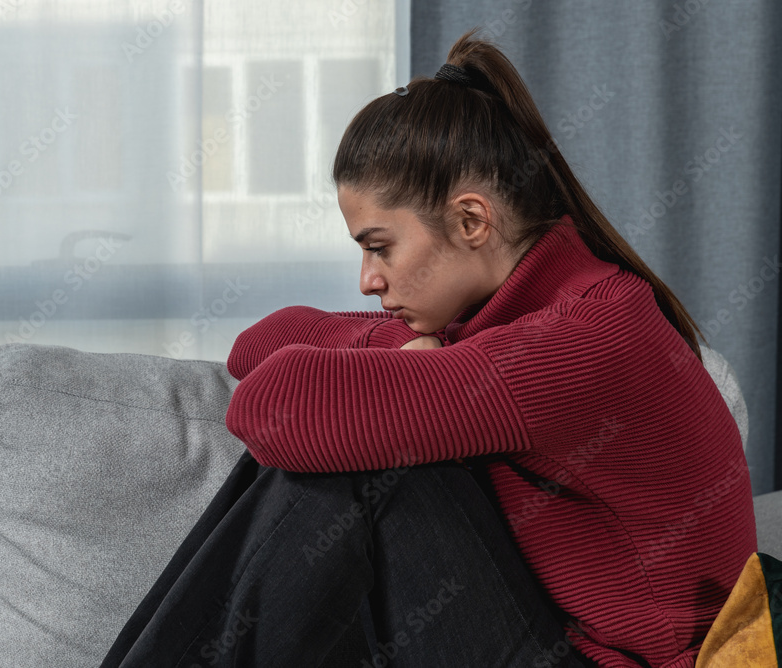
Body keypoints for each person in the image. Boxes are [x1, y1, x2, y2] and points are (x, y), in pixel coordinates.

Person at [100, 28, 757, 667]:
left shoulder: (584, 342)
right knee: (360, 435)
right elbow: (260, 341)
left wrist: (404, 363)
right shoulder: (504, 321)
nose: (367, 281)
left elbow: (272, 404)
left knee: (359, 459)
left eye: (380, 247)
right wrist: (408, 346)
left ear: (472, 221)